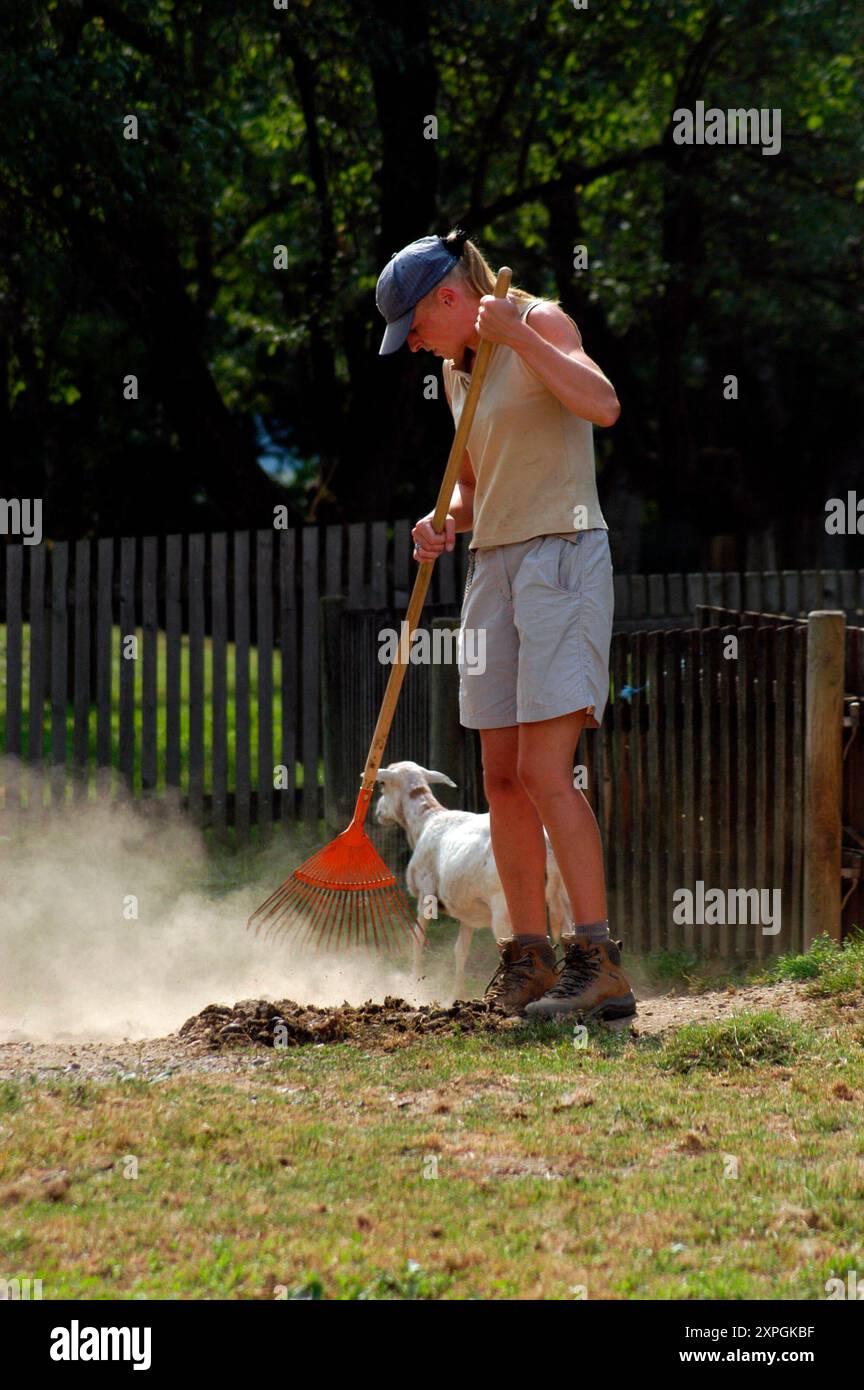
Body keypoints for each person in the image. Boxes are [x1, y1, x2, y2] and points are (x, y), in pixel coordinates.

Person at [375, 228, 636, 1024]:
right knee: (499, 776)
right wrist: (439, 519)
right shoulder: (462, 373)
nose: (416, 347)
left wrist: (518, 333)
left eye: (416, 329)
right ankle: (527, 959)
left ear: (449, 299)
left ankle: (597, 963)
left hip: (562, 555)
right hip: (493, 567)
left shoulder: (541, 322)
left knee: (547, 769)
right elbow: (476, 487)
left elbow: (604, 404)